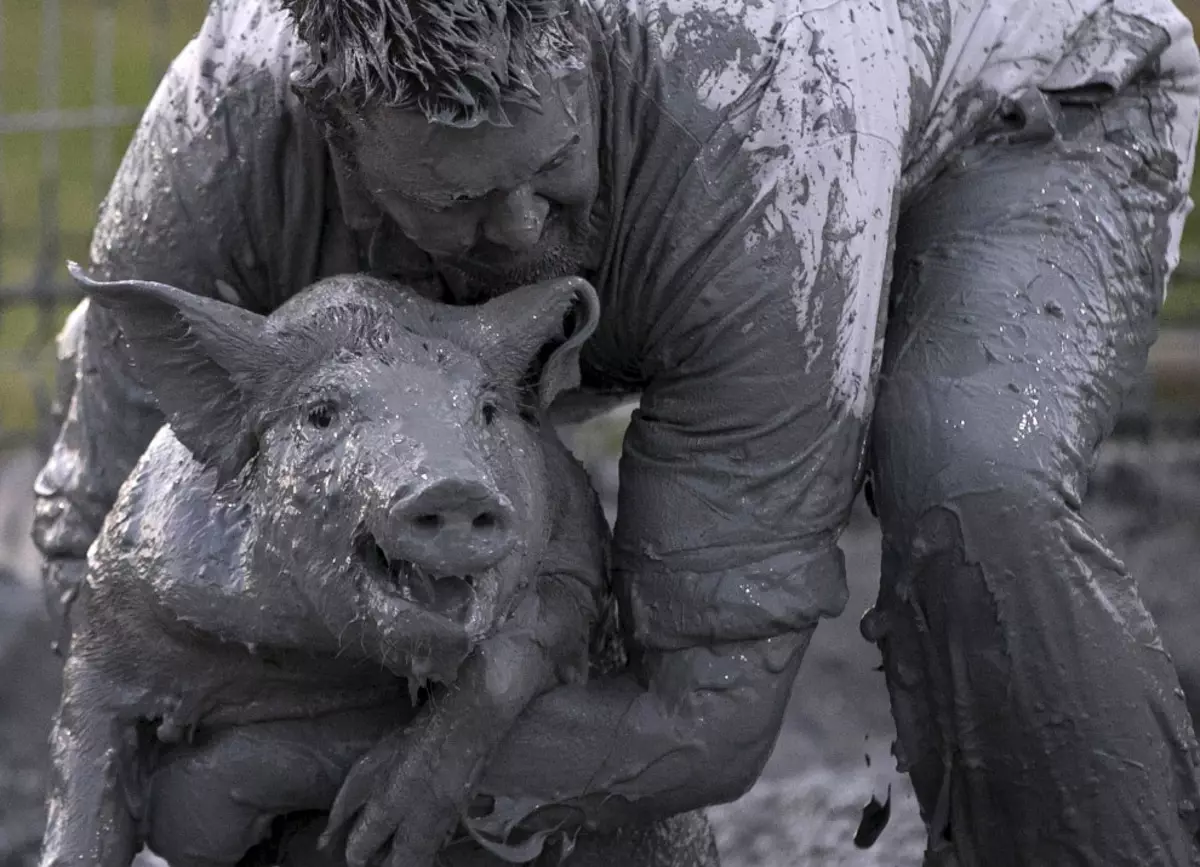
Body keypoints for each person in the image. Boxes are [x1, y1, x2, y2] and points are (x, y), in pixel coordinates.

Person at [31, 0, 1200, 863]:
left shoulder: (758, 111)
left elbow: (707, 714)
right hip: (728, 178)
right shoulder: (226, 128)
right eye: (461, 202)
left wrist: (264, 771)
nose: (531, 227)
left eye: (550, 170)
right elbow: (96, 554)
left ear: (589, 47)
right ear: (334, 144)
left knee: (963, 469)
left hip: (1032, 109)